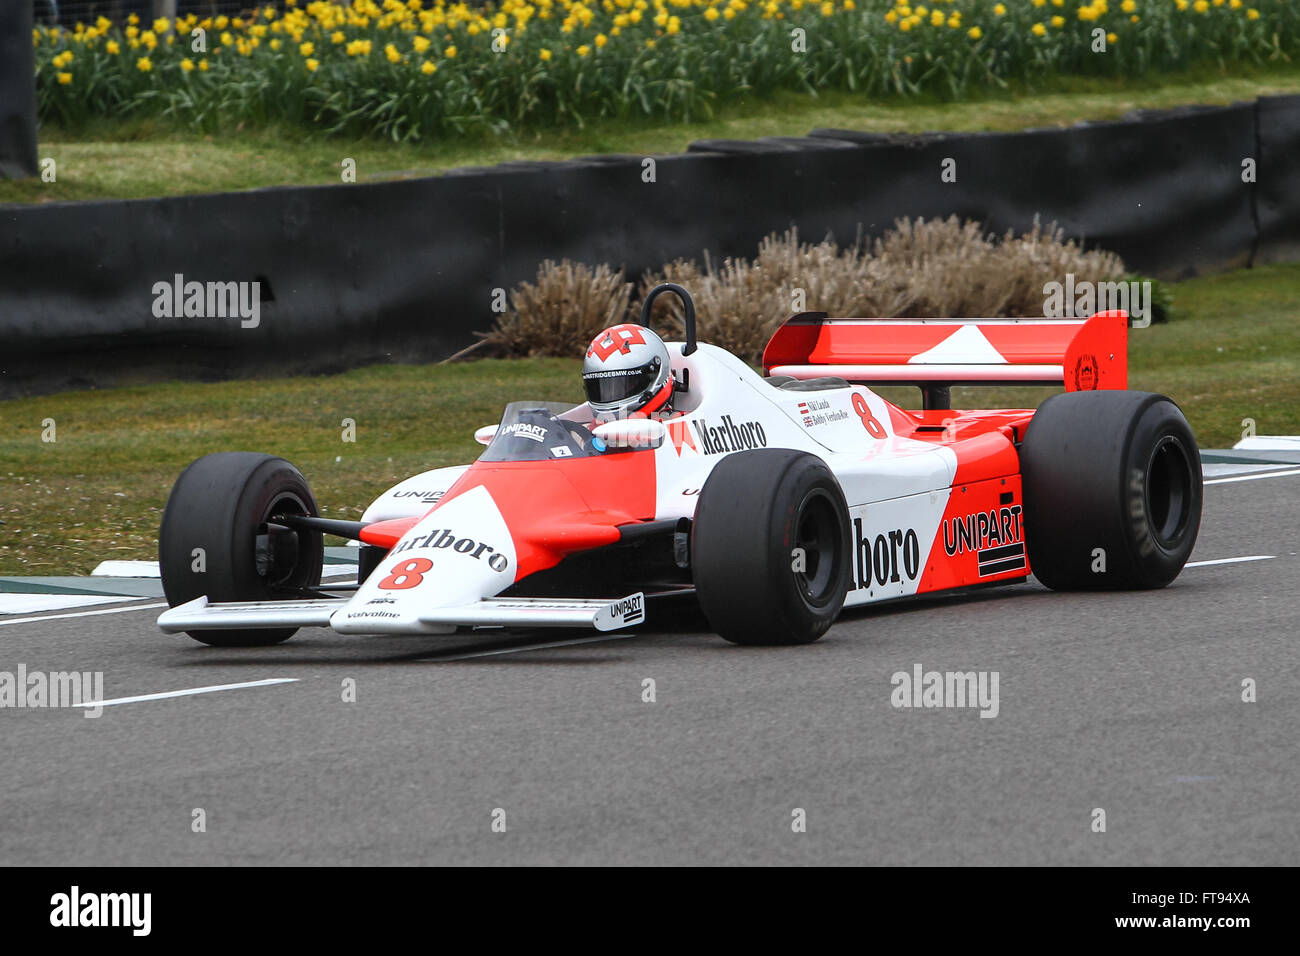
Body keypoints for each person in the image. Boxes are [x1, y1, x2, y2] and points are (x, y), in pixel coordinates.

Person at [581, 324, 676, 422]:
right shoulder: (591, 428)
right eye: (597, 388)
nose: (610, 394)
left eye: (622, 386)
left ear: (653, 375)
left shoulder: (681, 431)